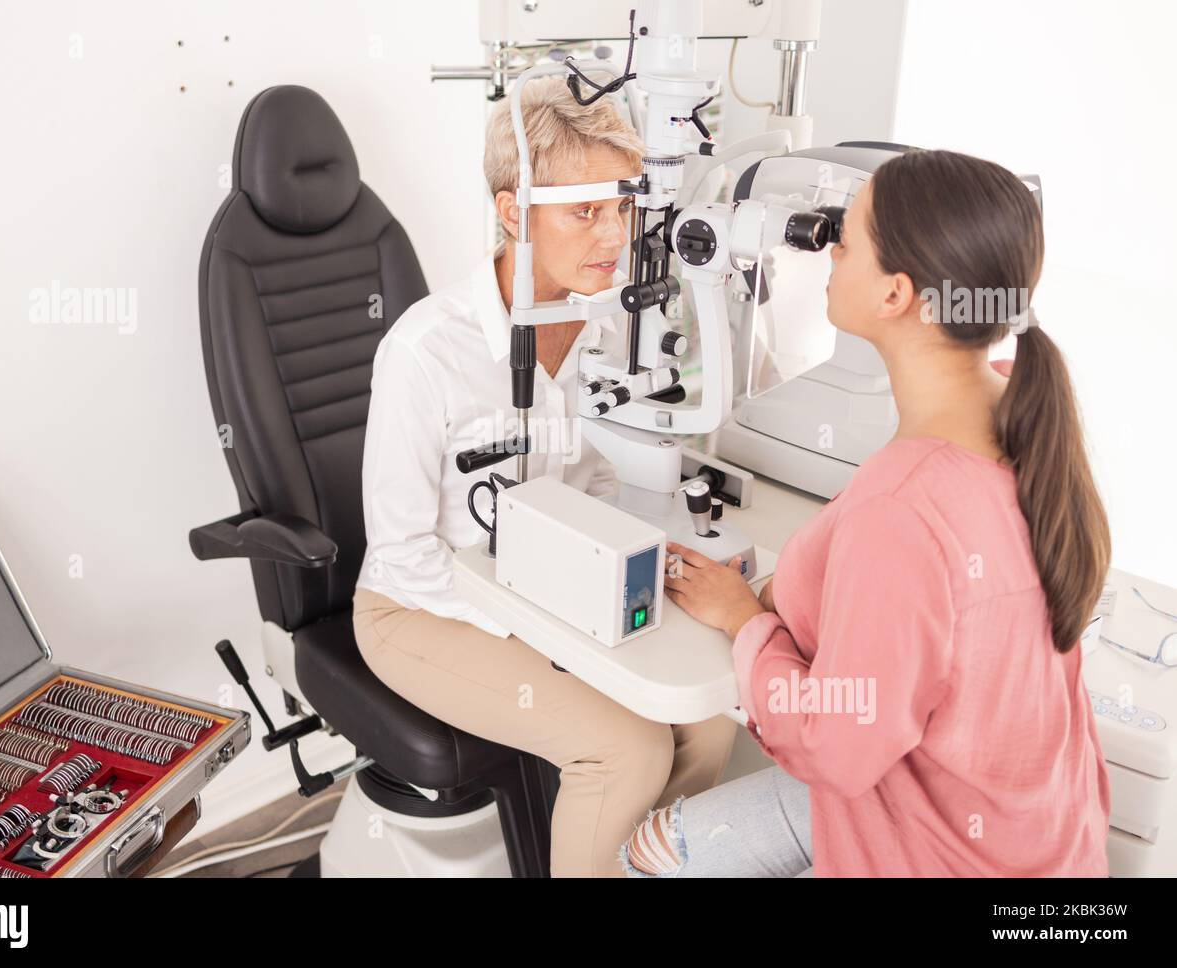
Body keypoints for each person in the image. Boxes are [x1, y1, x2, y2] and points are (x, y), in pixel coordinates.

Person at [623, 149, 1112, 877]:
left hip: (941, 853)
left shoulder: (903, 507)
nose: (827, 254)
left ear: (895, 296)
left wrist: (747, 624)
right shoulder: (1022, 408)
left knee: (646, 857)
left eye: (843, 239)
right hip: (1043, 839)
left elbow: (835, 745)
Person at [353, 77, 737, 877]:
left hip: (544, 589)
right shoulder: (427, 352)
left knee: (708, 724)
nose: (614, 235)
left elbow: (587, 483)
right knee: (625, 748)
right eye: (584, 211)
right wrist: (548, 627)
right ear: (509, 211)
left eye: (622, 208)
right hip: (417, 608)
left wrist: (626, 565)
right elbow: (401, 552)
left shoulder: (597, 326)